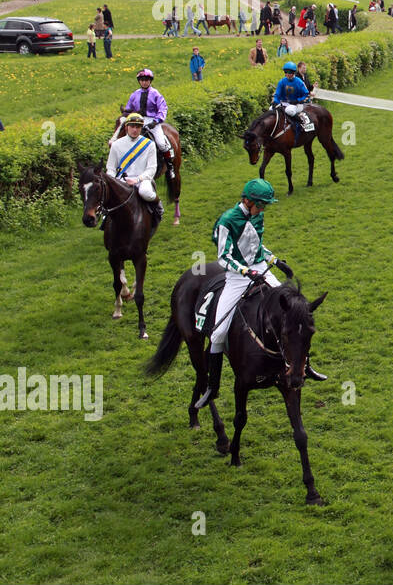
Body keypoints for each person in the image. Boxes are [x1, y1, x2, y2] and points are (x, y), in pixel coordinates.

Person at [194, 179, 324, 410]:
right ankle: (212, 387)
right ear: (247, 200)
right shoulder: (227, 220)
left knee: (296, 314)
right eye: (261, 205)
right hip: (236, 278)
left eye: (265, 206)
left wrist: (275, 261)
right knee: (217, 333)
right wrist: (245, 271)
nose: (263, 209)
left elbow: (257, 246)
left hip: (261, 271)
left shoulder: (257, 215)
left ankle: (305, 366)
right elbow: (224, 257)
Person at [106, 112, 162, 227]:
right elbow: (110, 168)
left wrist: (137, 180)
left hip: (142, 180)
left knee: (145, 192)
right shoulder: (116, 145)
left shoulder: (149, 144)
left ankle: (158, 208)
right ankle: (105, 219)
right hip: (121, 180)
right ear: (126, 127)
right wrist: (113, 182)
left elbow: (151, 169)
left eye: (138, 127)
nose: (135, 130)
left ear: (141, 128)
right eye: (132, 126)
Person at [123, 69, 176, 179]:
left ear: (150, 81)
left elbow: (163, 108)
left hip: (153, 121)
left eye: (146, 80)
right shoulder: (134, 94)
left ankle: (170, 167)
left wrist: (156, 121)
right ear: (139, 81)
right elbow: (129, 108)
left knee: (161, 143)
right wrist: (125, 112)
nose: (144, 82)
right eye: (142, 80)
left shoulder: (156, 94)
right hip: (138, 120)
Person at [272, 61, 314, 139]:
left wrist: (298, 100)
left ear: (293, 72)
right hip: (284, 103)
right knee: (271, 109)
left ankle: (301, 122)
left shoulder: (299, 82)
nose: (287, 74)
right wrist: (275, 101)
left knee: (289, 111)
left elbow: (306, 93)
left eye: (289, 72)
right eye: (285, 72)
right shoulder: (282, 81)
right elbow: (277, 94)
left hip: (297, 104)